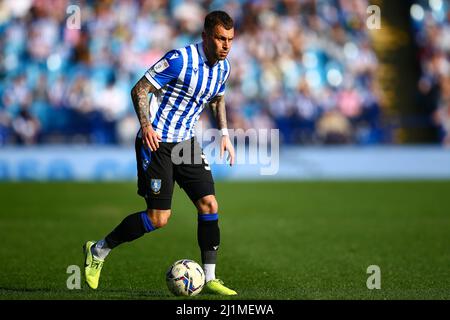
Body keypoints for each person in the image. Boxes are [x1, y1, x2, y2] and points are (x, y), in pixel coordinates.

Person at [83, 11, 237, 295]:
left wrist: (225, 134)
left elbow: (218, 98)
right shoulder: (180, 60)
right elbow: (139, 88)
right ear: (205, 36)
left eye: (229, 39)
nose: (225, 45)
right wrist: (146, 125)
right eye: (219, 38)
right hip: (157, 143)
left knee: (209, 205)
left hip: (186, 143)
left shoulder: (224, 68)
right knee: (158, 219)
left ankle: (211, 276)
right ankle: (99, 249)